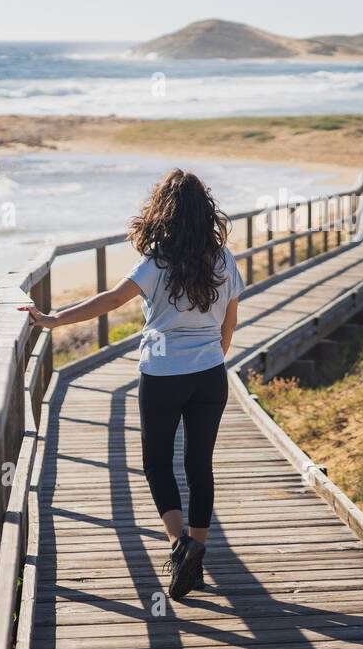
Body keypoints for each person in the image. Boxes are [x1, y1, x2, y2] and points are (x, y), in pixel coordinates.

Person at [21, 169, 243, 599]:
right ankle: (196, 549)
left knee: (158, 463)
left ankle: (180, 545)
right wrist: (213, 357)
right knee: (200, 466)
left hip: (162, 375)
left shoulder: (157, 261)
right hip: (210, 374)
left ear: (164, 212)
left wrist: (54, 319)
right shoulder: (223, 259)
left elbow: (109, 300)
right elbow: (230, 322)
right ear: (205, 213)